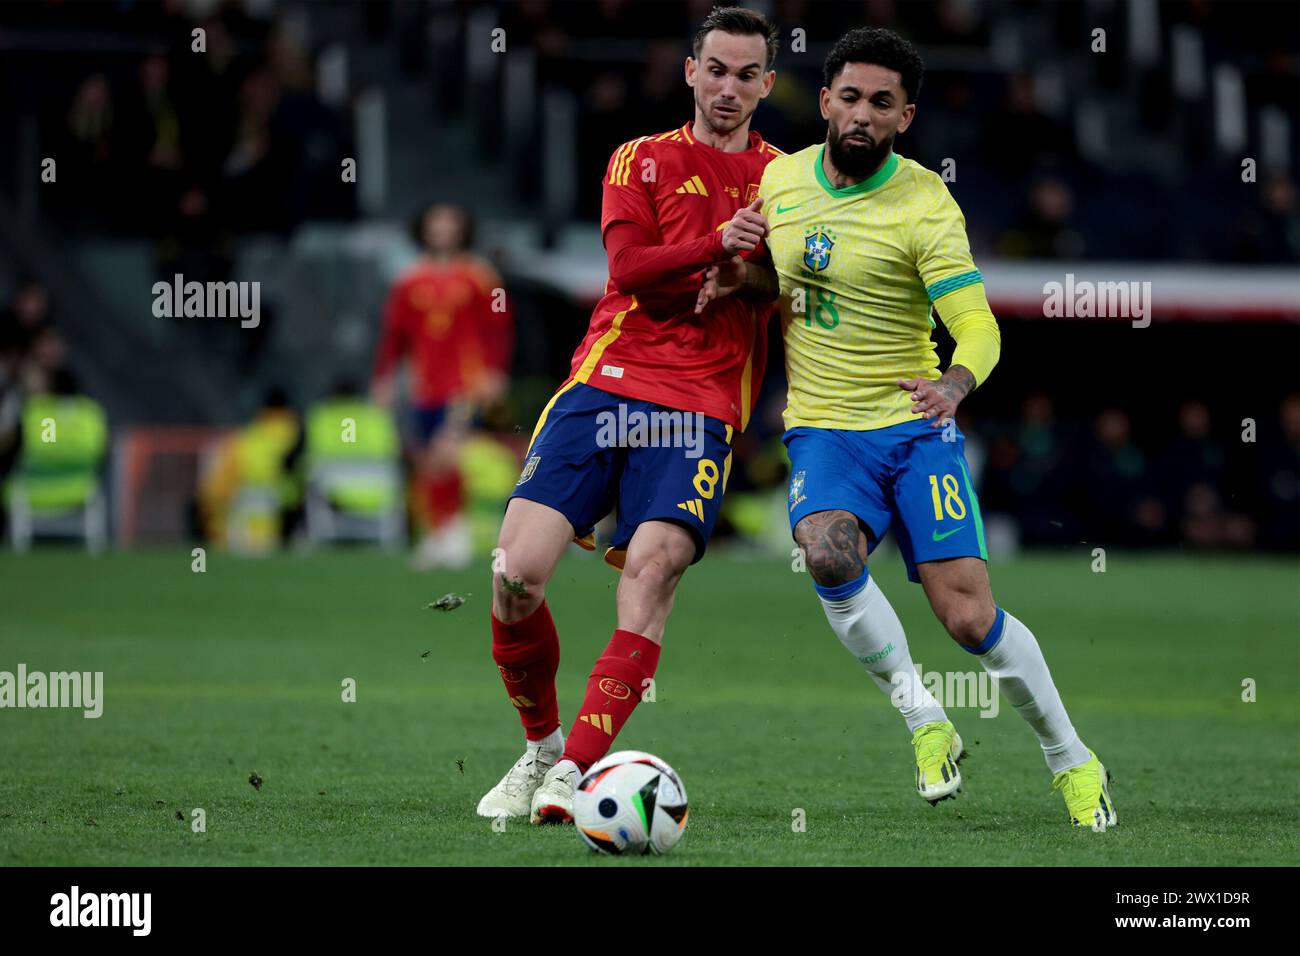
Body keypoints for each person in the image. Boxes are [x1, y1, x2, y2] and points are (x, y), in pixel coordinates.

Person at [698, 27, 1116, 831]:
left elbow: (978, 323)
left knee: (966, 619)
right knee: (825, 552)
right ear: (824, 101)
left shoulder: (926, 203)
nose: (861, 114)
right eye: (848, 97)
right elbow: (781, 278)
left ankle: (1070, 755)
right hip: (823, 427)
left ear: (905, 116)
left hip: (914, 429)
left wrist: (957, 380)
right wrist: (740, 278)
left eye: (880, 103)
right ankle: (926, 719)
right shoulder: (779, 182)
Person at [477, 6, 783, 824]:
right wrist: (720, 245)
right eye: (715, 69)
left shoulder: (790, 182)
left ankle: (573, 773)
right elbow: (630, 267)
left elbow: (792, 291)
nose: (728, 87)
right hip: (606, 382)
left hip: (701, 405)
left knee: (652, 570)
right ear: (690, 71)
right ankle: (540, 744)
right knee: (514, 578)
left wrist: (751, 280)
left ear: (768, 85)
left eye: (746, 74)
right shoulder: (639, 159)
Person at [371, 202, 512, 569]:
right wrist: (385, 377)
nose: (443, 231)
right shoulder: (409, 279)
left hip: (465, 383)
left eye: (451, 224)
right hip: (424, 385)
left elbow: (498, 329)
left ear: (462, 229)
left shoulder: (479, 276)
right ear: (424, 229)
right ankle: (439, 532)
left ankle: (455, 534)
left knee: (449, 451)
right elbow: (394, 336)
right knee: (428, 461)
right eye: (437, 224)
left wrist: (495, 371)